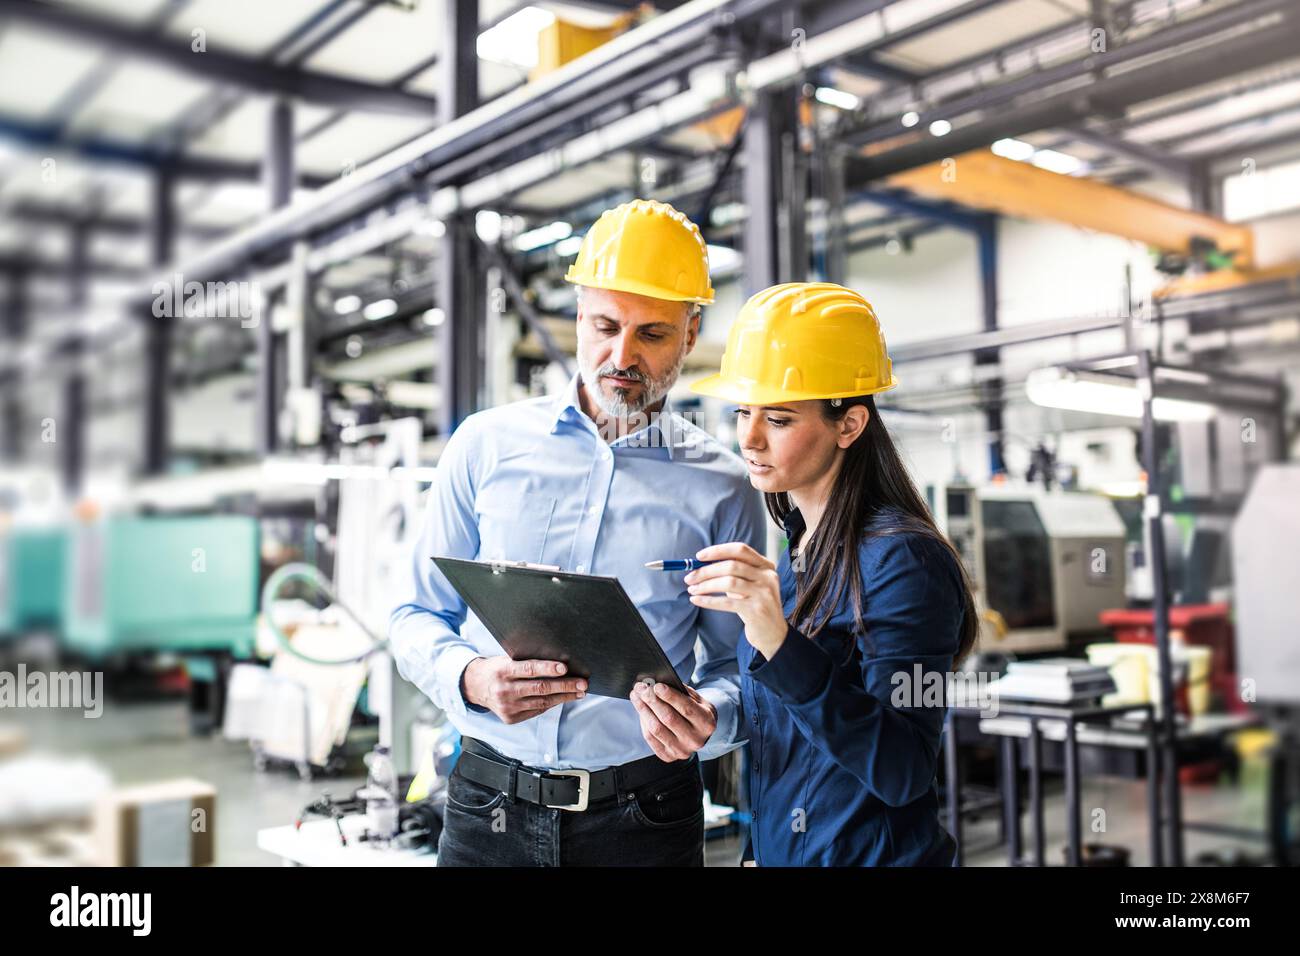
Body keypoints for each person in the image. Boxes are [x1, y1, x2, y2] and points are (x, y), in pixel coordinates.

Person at [389, 199, 765, 866]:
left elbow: (740, 669)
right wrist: (471, 678)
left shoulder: (723, 486)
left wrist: (711, 718)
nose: (622, 355)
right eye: (603, 325)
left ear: (690, 332)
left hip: (644, 818)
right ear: (578, 314)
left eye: (652, 333)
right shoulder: (484, 447)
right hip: (488, 811)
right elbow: (414, 614)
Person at [681, 281, 978, 866]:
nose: (749, 438)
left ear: (849, 425)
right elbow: (788, 748)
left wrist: (778, 641)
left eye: (781, 418)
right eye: (744, 411)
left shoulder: (905, 561)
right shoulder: (796, 553)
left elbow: (904, 771)